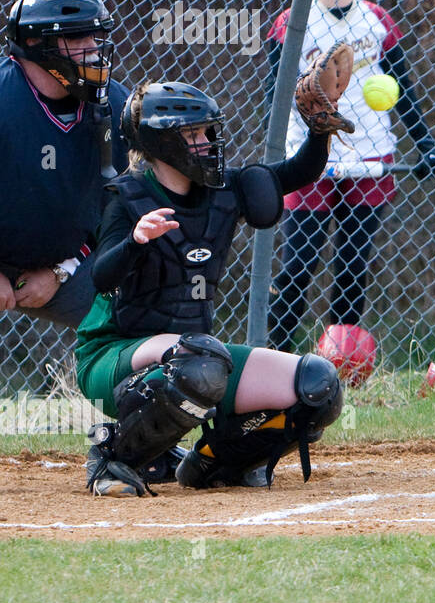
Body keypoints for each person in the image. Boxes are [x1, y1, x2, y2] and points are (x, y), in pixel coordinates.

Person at [76, 70, 351, 497]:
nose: (208, 143)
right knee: (199, 362)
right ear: (162, 142)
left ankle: (216, 463)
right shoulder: (126, 197)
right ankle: (114, 456)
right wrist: (135, 241)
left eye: (208, 132)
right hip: (113, 356)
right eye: (195, 135)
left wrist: (318, 133)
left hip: (194, 356)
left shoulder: (225, 190)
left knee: (317, 388)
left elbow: (296, 172)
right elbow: (101, 276)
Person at [265, 0, 435, 351]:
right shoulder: (292, 22)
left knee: (352, 264)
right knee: (299, 265)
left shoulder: (377, 20)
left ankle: (339, 363)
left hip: (368, 155)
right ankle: (275, 354)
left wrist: (426, 146)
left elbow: (405, 88)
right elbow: (273, 96)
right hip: (309, 157)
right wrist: (277, 153)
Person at [0, 0, 126, 328]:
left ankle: (122, 379)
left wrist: (61, 270)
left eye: (94, 37)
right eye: (77, 39)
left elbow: (120, 207)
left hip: (65, 265)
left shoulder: (113, 103)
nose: (93, 51)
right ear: (33, 42)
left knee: (146, 316)